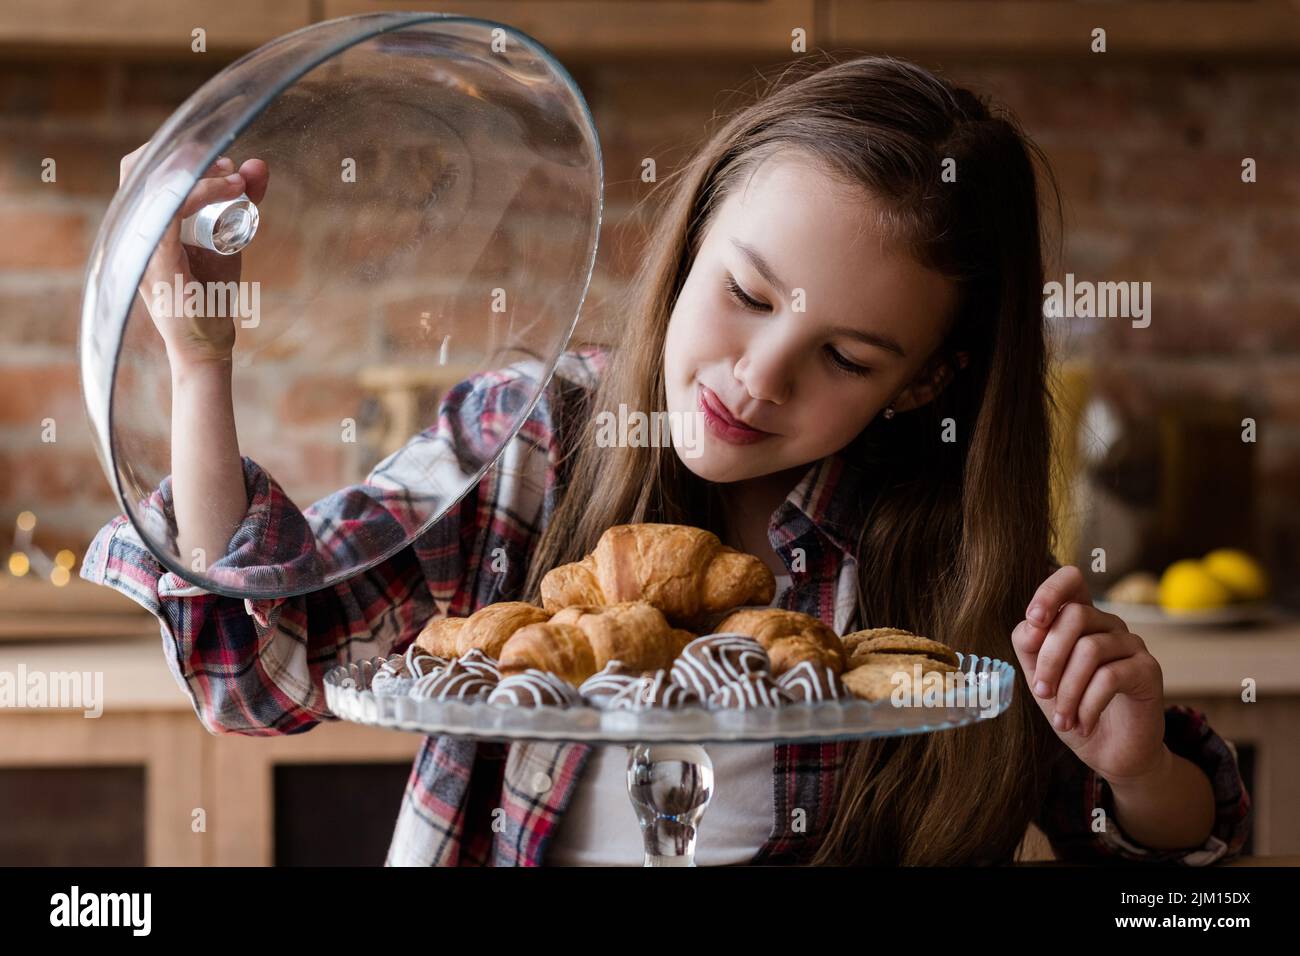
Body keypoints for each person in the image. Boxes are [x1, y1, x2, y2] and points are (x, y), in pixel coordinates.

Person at [83, 53, 1251, 866]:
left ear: (928, 382)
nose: (757, 377)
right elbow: (265, 657)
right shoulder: (534, 443)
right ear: (691, 240)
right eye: (745, 294)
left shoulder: (953, 559)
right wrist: (199, 363)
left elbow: (1169, 848)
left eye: (844, 356)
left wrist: (1139, 766)